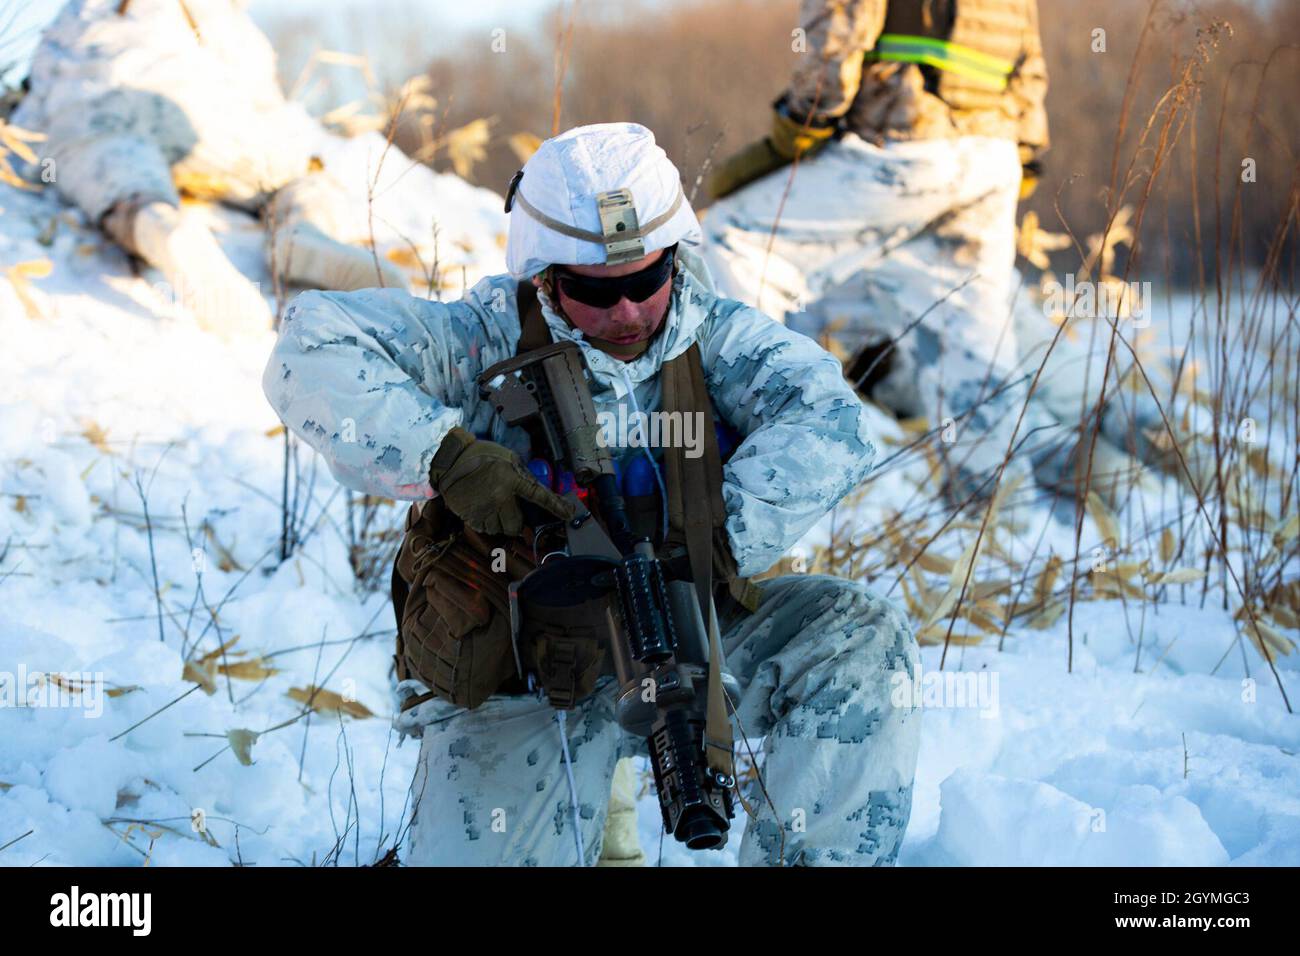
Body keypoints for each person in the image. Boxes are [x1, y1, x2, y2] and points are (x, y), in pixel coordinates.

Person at [263, 123, 923, 866]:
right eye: (597, 292)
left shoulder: (714, 337)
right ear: (543, 278)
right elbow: (309, 346)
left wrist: (715, 538)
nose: (631, 313)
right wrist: (445, 456)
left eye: (649, 280)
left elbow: (832, 419)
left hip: (687, 636)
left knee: (860, 637)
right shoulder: (482, 339)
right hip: (529, 674)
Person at [703, 0, 1151, 505]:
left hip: (903, 139)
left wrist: (799, 125)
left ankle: (754, 451)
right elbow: (1030, 64)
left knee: (727, 236)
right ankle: (990, 510)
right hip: (991, 157)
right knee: (972, 347)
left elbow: (836, 34)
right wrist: (1024, 152)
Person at [11, 0, 407, 339]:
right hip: (197, 122)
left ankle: (154, 219)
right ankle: (302, 229)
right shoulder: (224, 18)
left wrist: (35, 151)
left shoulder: (79, 14)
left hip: (95, 107)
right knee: (299, 174)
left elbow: (36, 113)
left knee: (117, 173)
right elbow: (264, 108)